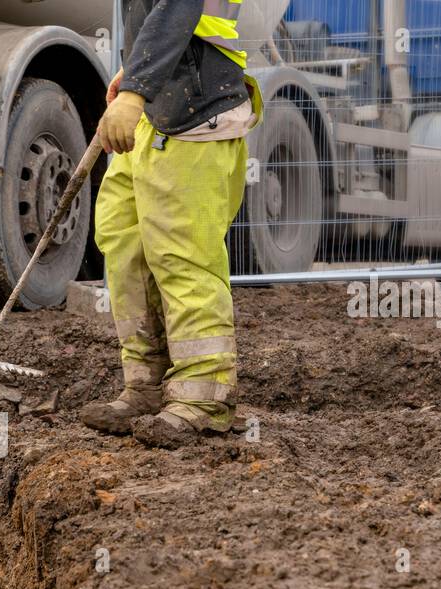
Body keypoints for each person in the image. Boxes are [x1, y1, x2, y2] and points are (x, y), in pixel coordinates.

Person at [81, 0, 262, 448]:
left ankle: (204, 395)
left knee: (184, 258)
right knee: (126, 247)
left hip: (196, 117)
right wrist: (139, 74)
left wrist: (135, 90)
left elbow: (178, 6)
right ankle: (145, 383)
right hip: (160, 113)